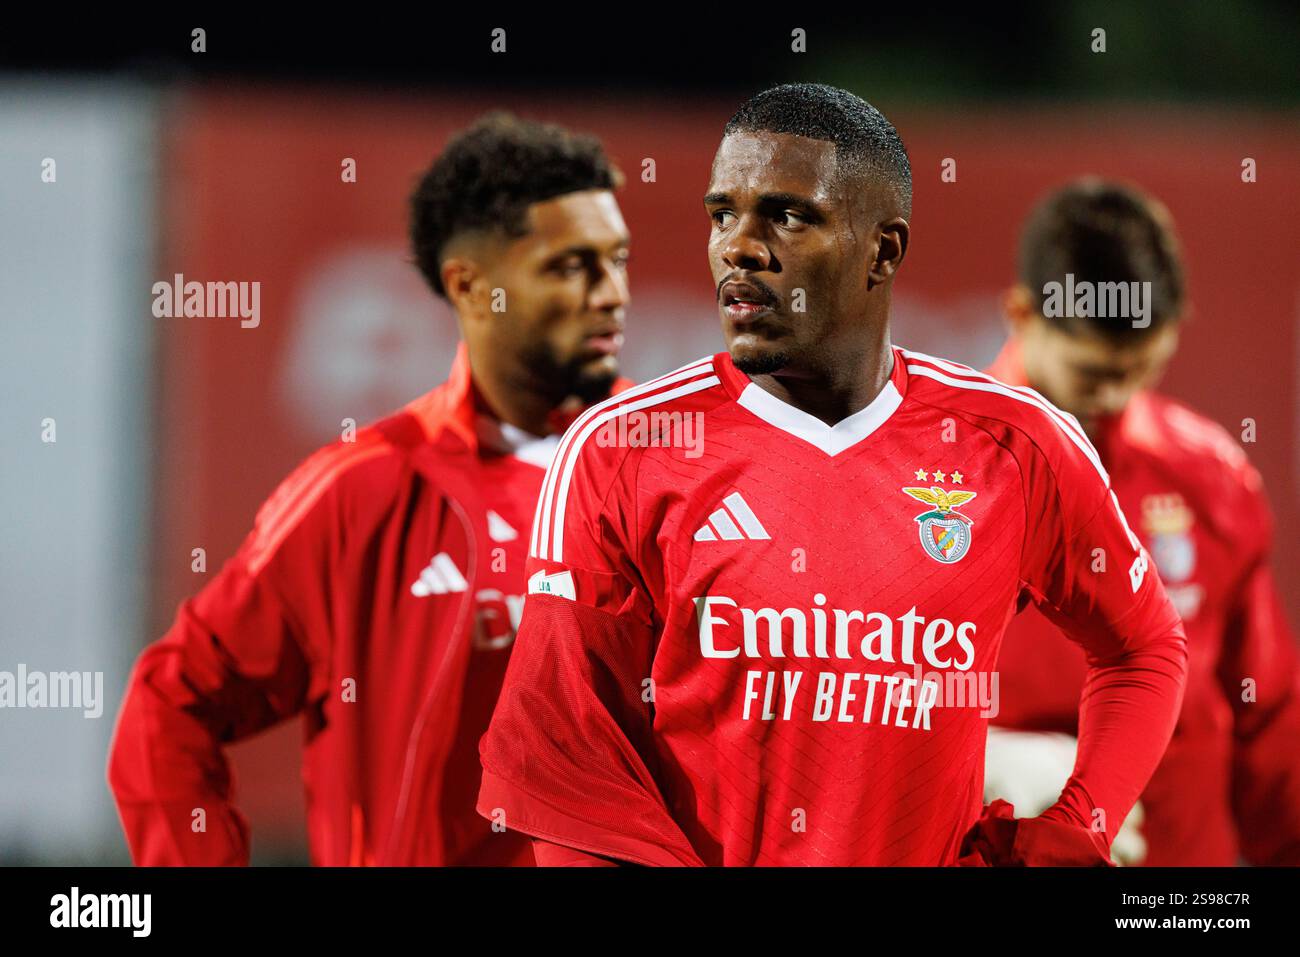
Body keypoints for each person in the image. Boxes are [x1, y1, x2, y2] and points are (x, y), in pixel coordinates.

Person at [477, 84, 1188, 866]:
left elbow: (1144, 648)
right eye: (722, 214)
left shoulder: (1017, 445)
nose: (739, 247)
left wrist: (1080, 824)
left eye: (787, 215)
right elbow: (566, 770)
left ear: (883, 248)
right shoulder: (623, 449)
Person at [108, 112, 633, 865]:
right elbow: (171, 705)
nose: (611, 292)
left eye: (619, 259)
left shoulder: (682, 478)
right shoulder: (363, 491)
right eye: (571, 266)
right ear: (470, 286)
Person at [984, 178, 1300, 866]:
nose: (1117, 397)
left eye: (1142, 368)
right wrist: (988, 765)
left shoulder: (1212, 477)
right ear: (1020, 314)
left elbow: (1267, 717)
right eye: (1094, 374)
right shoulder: (937, 477)